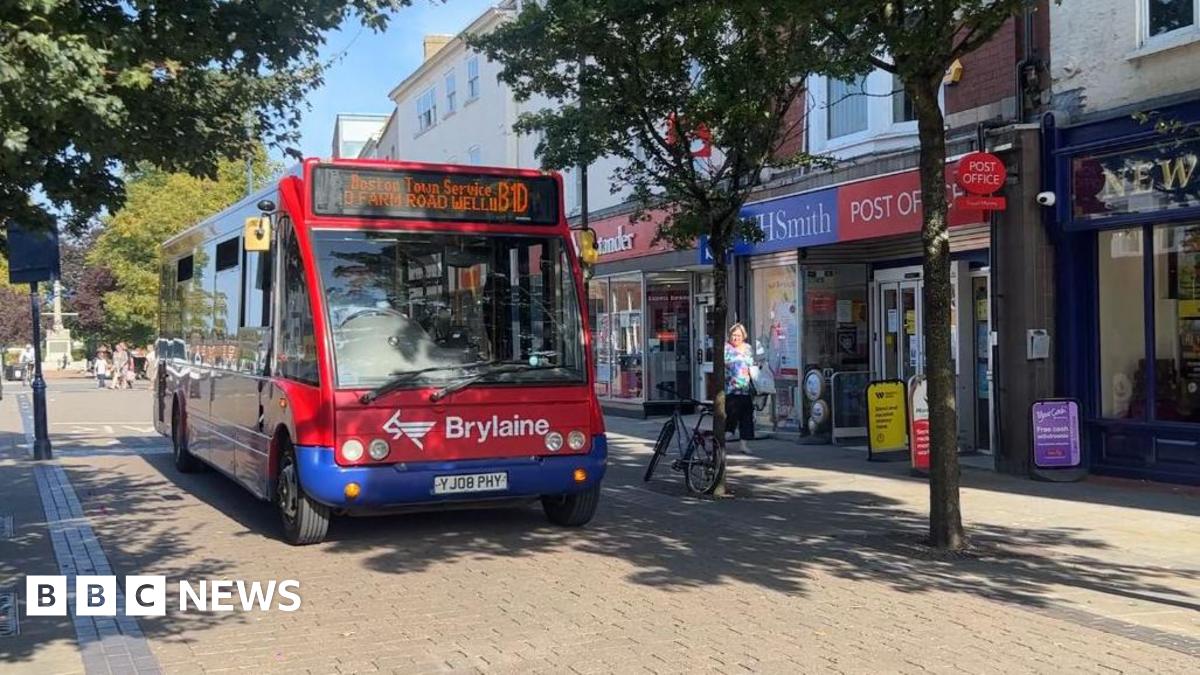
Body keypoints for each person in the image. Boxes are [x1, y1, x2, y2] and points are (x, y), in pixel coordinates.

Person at [724, 323, 756, 453]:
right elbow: (724, 364)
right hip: (731, 389)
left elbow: (752, 364)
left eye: (738, 335)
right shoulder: (726, 348)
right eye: (733, 335)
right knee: (732, 416)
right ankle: (723, 439)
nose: (735, 338)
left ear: (743, 336)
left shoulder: (748, 348)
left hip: (746, 389)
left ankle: (743, 445)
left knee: (747, 418)